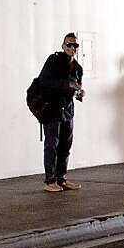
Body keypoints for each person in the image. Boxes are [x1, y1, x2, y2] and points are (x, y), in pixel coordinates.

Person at [34, 33, 85, 192]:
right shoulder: (53, 60)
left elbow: (76, 88)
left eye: (75, 45)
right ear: (63, 46)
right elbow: (44, 80)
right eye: (69, 45)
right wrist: (67, 84)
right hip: (52, 108)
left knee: (65, 145)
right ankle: (50, 181)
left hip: (67, 110)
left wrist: (79, 93)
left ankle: (61, 178)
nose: (72, 48)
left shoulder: (77, 68)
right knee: (52, 144)